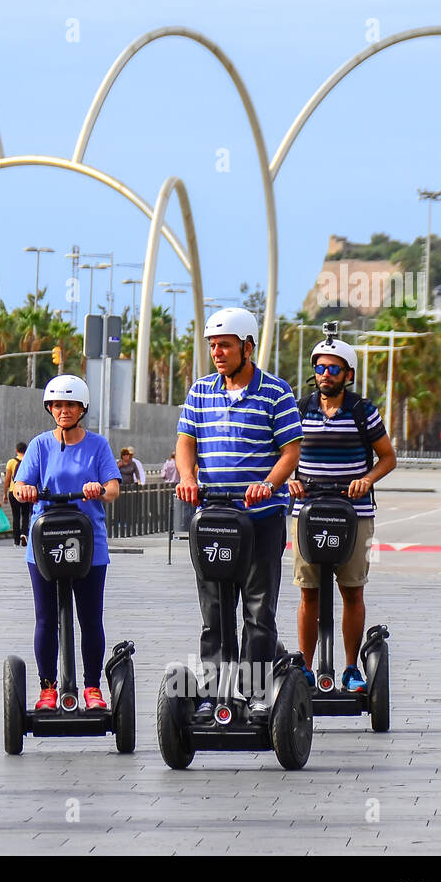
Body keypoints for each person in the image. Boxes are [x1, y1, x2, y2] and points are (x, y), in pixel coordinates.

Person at [174, 307, 302, 725]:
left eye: (225, 345)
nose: (217, 352)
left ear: (248, 347)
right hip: (213, 516)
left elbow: (290, 453)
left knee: (258, 612)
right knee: (214, 615)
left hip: (261, 518)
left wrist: (268, 482)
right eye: (212, 345)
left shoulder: (276, 392)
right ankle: (212, 696)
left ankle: (257, 695)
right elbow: (186, 442)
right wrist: (188, 476)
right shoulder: (201, 391)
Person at [288, 335, 396, 692]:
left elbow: (388, 457)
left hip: (355, 513)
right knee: (309, 591)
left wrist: (366, 480)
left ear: (347, 374)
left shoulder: (362, 411)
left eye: (333, 369)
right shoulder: (300, 409)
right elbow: (283, 454)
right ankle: (305, 666)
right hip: (308, 511)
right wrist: (290, 479)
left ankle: (350, 668)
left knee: (352, 590)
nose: (325, 375)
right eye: (320, 368)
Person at [10, 376, 121, 712]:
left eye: (70, 405)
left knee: (90, 619)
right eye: (57, 405)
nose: (63, 410)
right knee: (46, 619)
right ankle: (47, 688)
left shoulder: (98, 445)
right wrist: (25, 490)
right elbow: (18, 486)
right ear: (50, 408)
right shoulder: (39, 445)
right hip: (46, 543)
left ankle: (91, 687)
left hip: (89, 543)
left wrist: (98, 489)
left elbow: (114, 488)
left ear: (82, 408)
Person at [4, 442, 31, 547]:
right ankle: (24, 534)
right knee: (25, 515)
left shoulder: (11, 462)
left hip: (13, 491)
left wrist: (5, 493)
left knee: (16, 516)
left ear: (16, 450)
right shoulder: (28, 461)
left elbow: (7, 478)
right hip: (26, 491)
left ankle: (16, 540)